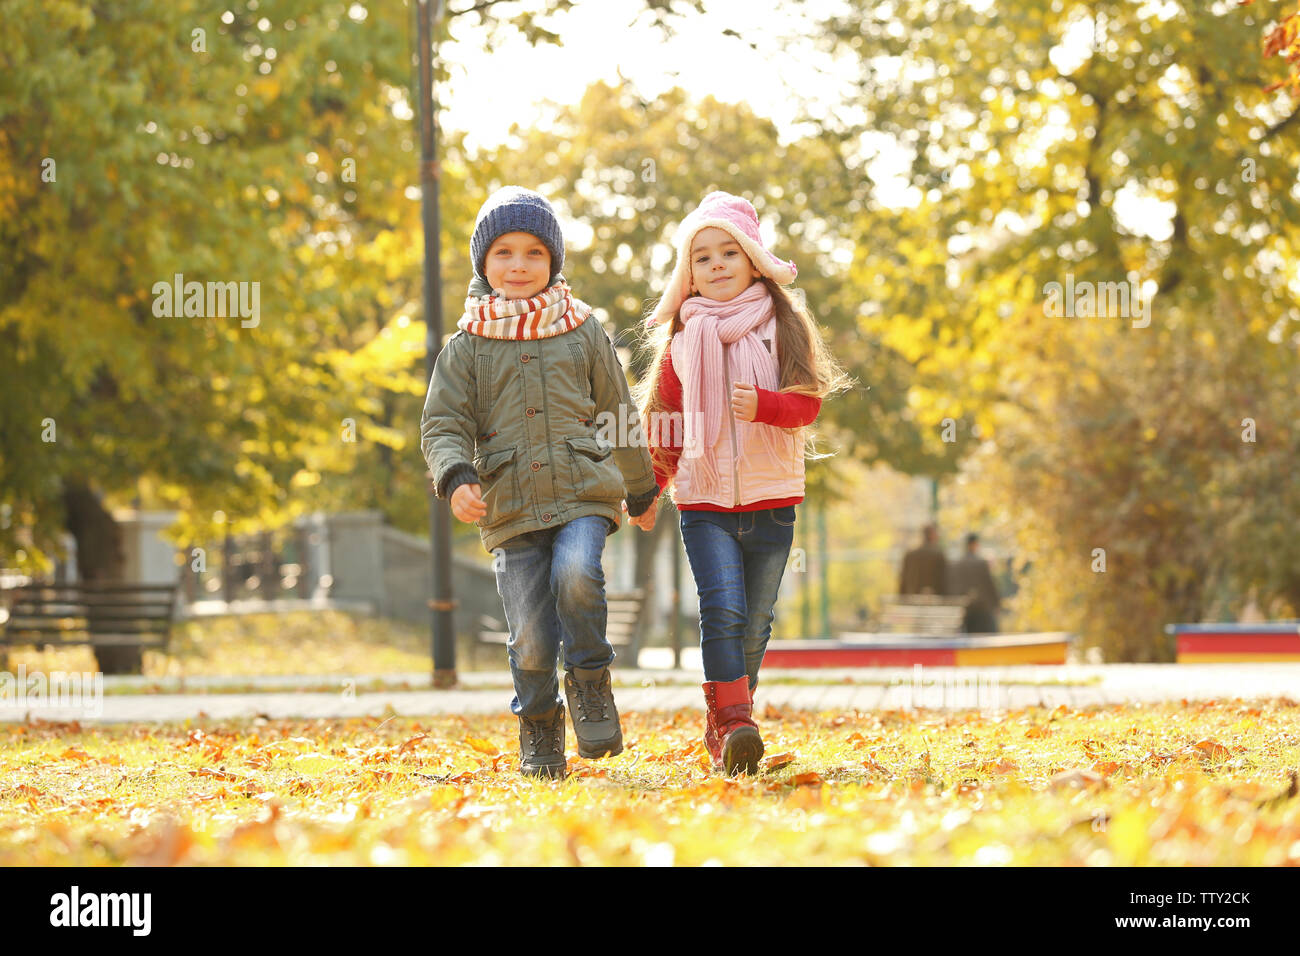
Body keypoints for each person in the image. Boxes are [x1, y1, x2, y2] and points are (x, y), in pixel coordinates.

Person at [420, 186, 660, 780]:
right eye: (504, 253)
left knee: (577, 574)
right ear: (483, 263)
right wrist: (455, 478)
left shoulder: (581, 330)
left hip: (583, 491)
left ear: (553, 261)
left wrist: (641, 489)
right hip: (510, 504)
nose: (519, 266)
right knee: (528, 634)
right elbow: (443, 422)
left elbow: (617, 411)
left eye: (534, 253)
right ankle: (538, 721)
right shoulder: (468, 345)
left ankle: (589, 680)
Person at [633, 191, 851, 775]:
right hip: (703, 500)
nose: (717, 264)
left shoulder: (782, 327)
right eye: (702, 258)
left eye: (729, 251)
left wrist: (764, 406)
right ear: (689, 274)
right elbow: (668, 425)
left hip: (772, 499)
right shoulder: (684, 339)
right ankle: (734, 724)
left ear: (754, 260)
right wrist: (652, 489)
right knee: (722, 611)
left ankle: (730, 719)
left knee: (755, 621)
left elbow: (807, 406)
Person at [948, 532, 1001, 633]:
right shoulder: (981, 563)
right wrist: (996, 604)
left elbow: (953, 586)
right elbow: (989, 585)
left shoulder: (957, 564)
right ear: (975, 544)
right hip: (981, 610)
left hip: (964, 609)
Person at [899, 524, 947, 596]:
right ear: (932, 535)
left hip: (912, 599)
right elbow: (944, 580)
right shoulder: (939, 555)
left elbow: (903, 581)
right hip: (934, 599)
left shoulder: (910, 555)